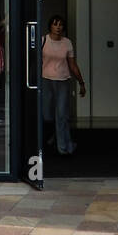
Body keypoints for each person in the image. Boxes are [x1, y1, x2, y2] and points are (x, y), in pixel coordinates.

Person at [41, 15, 85, 156]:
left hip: (63, 81)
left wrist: (81, 82)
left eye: (60, 25)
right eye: (55, 24)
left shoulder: (67, 43)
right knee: (47, 114)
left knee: (61, 114)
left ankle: (64, 147)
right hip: (46, 80)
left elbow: (72, 64)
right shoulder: (44, 40)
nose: (58, 27)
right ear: (50, 26)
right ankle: (56, 135)